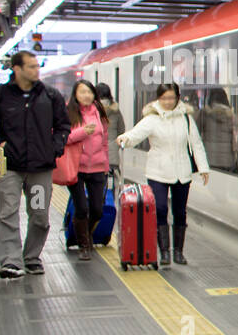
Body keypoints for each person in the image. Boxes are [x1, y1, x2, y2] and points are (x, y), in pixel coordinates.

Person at [0, 51, 71, 278]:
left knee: (39, 215)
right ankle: (11, 261)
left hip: (40, 168)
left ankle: (31, 257)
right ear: (17, 69)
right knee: (7, 212)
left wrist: (55, 147)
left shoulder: (50, 95)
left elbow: (63, 126)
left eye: (37, 66)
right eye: (32, 66)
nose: (37, 70)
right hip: (10, 167)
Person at [116, 82, 210, 266]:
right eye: (164, 98)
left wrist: (203, 167)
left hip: (182, 172)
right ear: (158, 99)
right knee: (159, 208)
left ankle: (178, 252)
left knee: (180, 212)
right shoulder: (152, 119)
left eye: (171, 98)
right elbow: (136, 134)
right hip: (158, 171)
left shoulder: (186, 119)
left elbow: (196, 144)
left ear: (177, 98)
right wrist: (125, 139)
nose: (168, 102)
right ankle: (164, 252)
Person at [64, 79, 110, 262]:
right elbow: (64, 138)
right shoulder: (69, 113)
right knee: (81, 208)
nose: (87, 96)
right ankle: (84, 245)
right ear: (75, 94)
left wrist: (106, 165)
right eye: (82, 92)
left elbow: (105, 140)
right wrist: (83, 132)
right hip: (76, 167)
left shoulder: (99, 112)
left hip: (97, 167)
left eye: (89, 92)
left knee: (97, 210)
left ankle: (85, 233)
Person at [95, 83, 125, 184]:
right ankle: (110, 200)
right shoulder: (116, 111)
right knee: (110, 187)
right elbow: (121, 131)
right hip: (112, 157)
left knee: (96, 188)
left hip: (94, 157)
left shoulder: (91, 111)